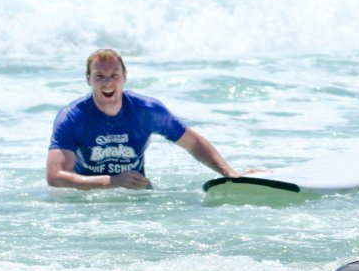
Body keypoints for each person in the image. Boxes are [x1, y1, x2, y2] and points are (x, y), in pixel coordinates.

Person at [47, 48, 248, 190]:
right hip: (89, 203)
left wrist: (228, 172)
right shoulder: (72, 117)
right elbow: (55, 177)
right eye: (99, 76)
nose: (108, 83)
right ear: (88, 79)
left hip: (136, 198)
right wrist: (113, 182)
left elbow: (193, 143)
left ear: (125, 76)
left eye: (114, 75)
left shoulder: (146, 111)